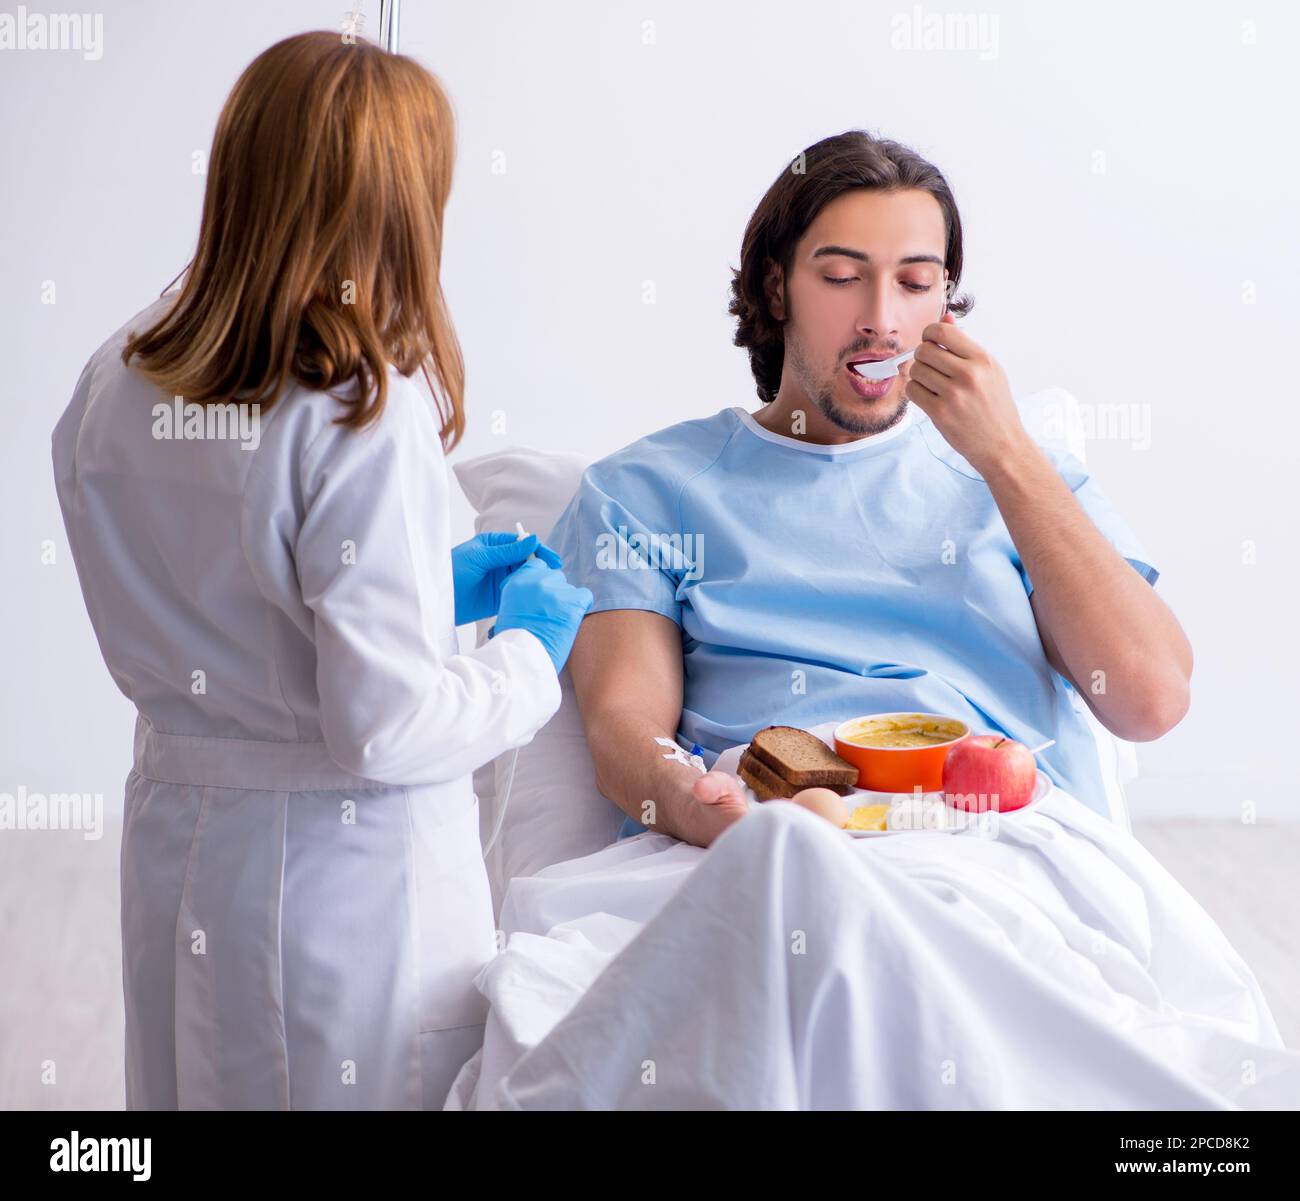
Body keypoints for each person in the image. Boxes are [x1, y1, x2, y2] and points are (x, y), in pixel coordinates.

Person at [50, 30, 592, 1110]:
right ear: (397, 201)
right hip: (339, 881)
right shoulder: (354, 407)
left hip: (182, 843)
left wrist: (430, 585)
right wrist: (530, 650)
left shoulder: (118, 373)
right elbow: (382, 729)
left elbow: (235, 604)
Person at [545, 130, 1191, 848]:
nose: (881, 320)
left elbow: (1150, 700)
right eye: (843, 277)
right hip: (764, 842)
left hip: (998, 850)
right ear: (774, 287)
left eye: (915, 283)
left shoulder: (1023, 477)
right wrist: (707, 810)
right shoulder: (644, 491)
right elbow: (625, 728)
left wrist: (1006, 456)